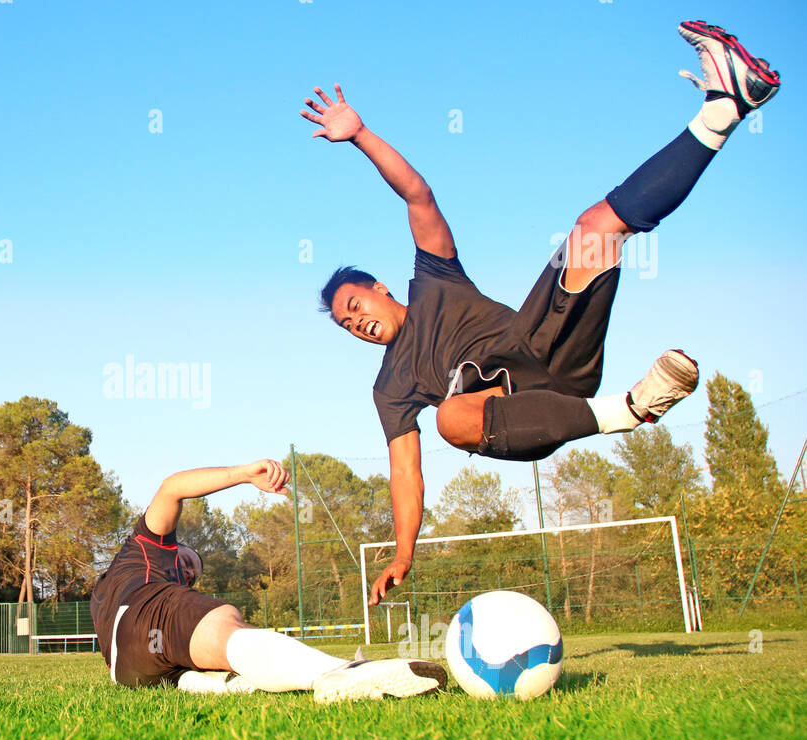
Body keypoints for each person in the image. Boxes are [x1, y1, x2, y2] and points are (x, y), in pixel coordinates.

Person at [300, 20, 779, 606]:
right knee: (451, 420)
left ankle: (725, 108)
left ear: (378, 287)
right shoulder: (390, 388)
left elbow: (418, 196)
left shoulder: (433, 280)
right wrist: (404, 551)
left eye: (355, 306)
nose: (358, 323)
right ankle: (628, 410)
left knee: (596, 227)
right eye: (349, 326)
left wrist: (361, 135)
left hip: (548, 345)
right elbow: (406, 471)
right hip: (528, 412)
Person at [90, 459, 447, 702]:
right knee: (224, 620)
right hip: (143, 615)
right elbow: (172, 488)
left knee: (212, 645)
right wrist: (246, 473)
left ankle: (221, 680)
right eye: (187, 562)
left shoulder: (109, 589)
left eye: (193, 574)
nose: (188, 573)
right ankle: (338, 672)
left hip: (127, 671)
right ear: (172, 545)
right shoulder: (146, 548)